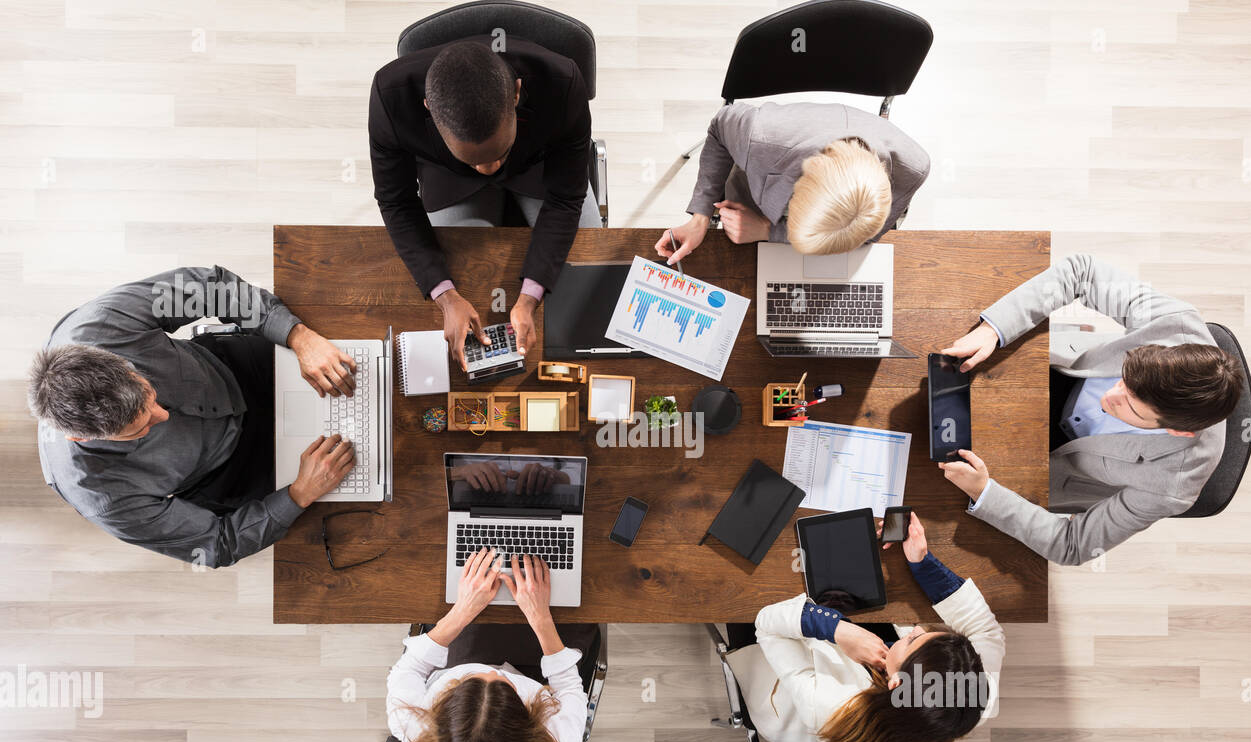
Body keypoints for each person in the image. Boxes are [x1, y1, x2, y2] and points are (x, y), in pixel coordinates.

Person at [28, 265, 358, 569]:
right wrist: (298, 495)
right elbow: (218, 544)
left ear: (122, 363)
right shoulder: (103, 498)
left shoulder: (102, 324)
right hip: (230, 471)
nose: (163, 415)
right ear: (83, 438)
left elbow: (213, 289)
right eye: (142, 429)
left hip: (233, 369)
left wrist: (298, 337)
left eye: (150, 396)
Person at [938, 254, 1245, 566]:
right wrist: (994, 329)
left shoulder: (1174, 484)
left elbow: (1072, 547)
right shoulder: (1175, 325)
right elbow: (1082, 272)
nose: (1112, 394)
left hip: (1046, 464)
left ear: (1177, 431)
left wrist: (986, 493)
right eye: (1125, 378)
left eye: (1132, 407)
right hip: (1046, 377)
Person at [369, 36, 599, 372]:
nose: (490, 170)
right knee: (459, 272)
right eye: (476, 161)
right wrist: (445, 297)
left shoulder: (563, 81)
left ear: (517, 93)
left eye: (498, 154)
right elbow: (396, 201)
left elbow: (566, 197)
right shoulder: (390, 95)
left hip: (539, 165)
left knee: (589, 265)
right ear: (429, 110)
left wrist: (529, 297)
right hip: (447, 175)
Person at [726, 513, 1003, 742]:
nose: (916, 628)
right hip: (886, 713)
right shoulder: (970, 696)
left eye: (912, 639)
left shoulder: (828, 707)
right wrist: (923, 563)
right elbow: (986, 630)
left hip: (788, 700)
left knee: (741, 595)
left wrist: (837, 629)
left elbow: (766, 625)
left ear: (894, 682)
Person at [386, 550, 591, 742]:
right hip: (535, 674)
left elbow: (410, 668)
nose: (492, 671)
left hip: (459, 653)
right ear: (531, 724)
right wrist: (540, 616)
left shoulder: (413, 724)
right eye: (505, 686)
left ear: (442, 709)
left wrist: (463, 610)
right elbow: (569, 685)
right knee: (583, 606)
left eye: (471, 680)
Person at [655, 101, 930, 266]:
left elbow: (868, 237)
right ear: (799, 188)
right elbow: (719, 126)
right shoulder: (759, 136)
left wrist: (768, 231)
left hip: (760, 229)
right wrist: (700, 219)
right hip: (758, 185)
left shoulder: (913, 169)